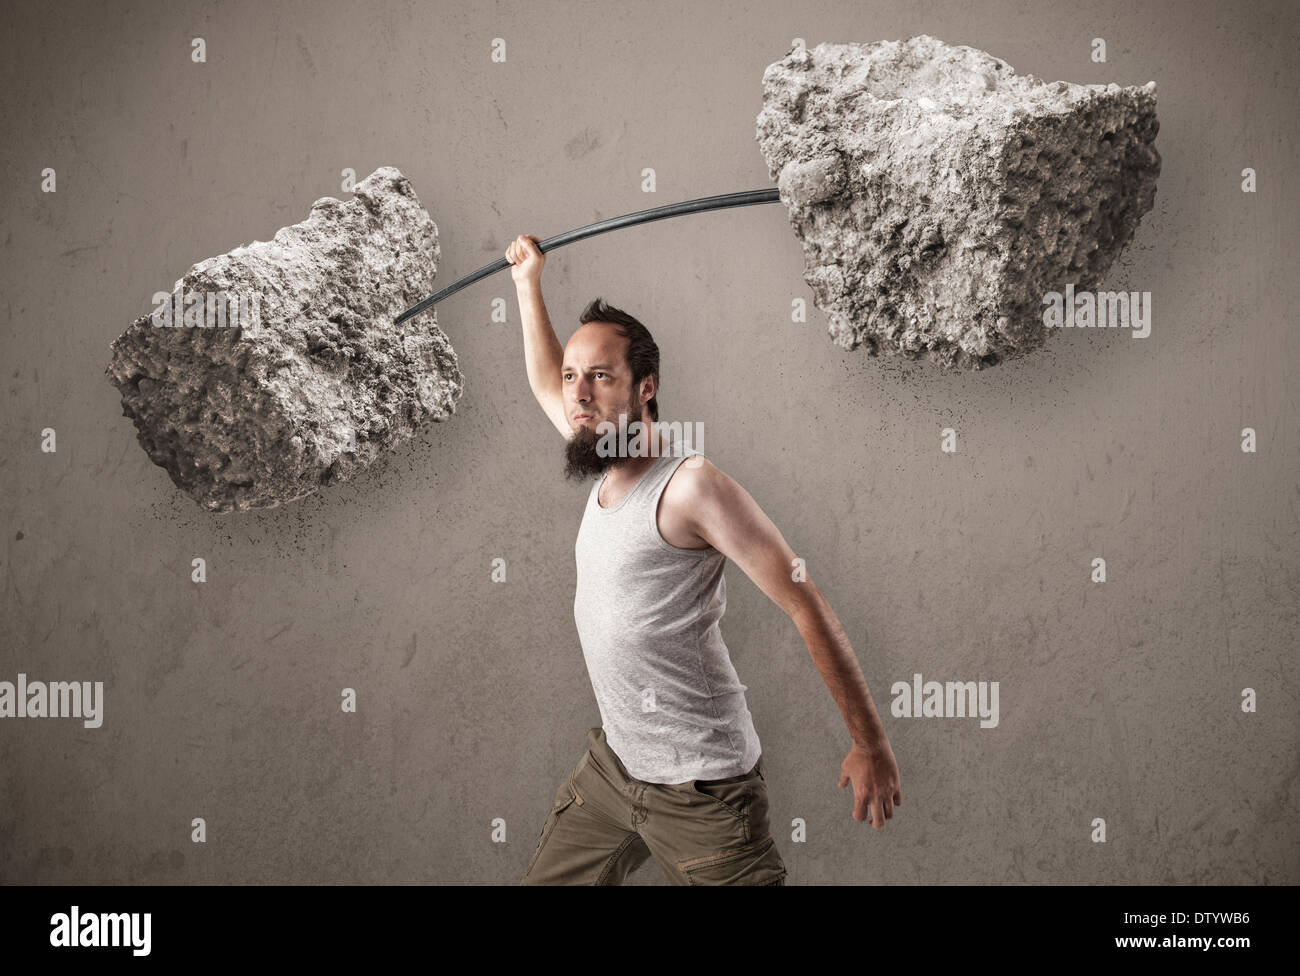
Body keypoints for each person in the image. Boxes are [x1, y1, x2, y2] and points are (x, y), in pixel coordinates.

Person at [507, 233, 901, 885]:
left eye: (600, 377)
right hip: (614, 771)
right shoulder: (602, 447)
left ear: (646, 387)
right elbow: (546, 381)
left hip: (702, 791)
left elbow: (805, 601)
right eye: (576, 378)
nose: (578, 395)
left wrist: (871, 744)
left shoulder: (690, 487)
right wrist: (528, 285)